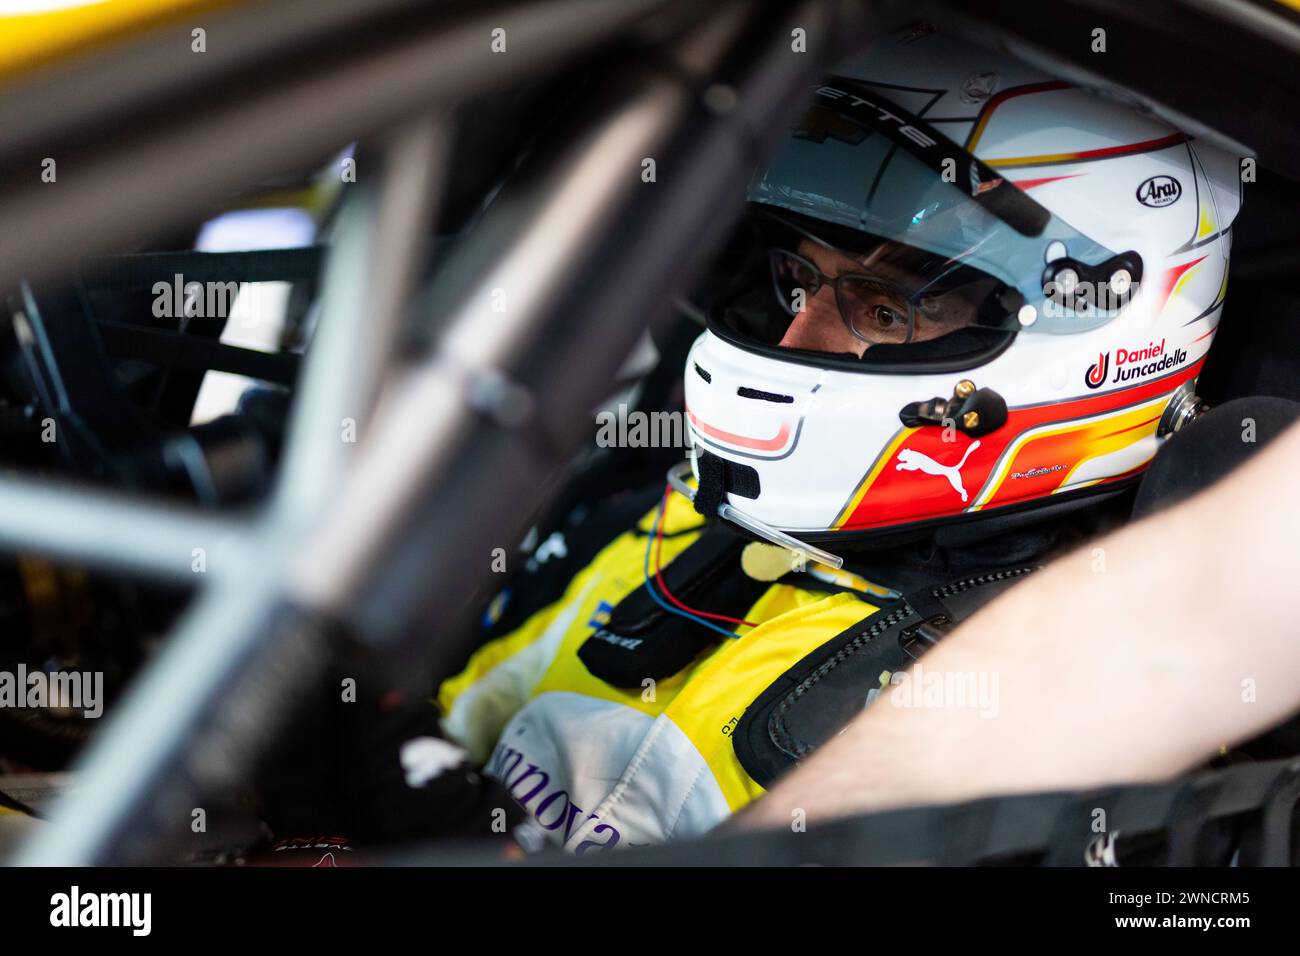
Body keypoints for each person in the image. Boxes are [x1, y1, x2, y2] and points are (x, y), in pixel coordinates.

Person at [435, 26, 1246, 853]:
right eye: (796, 282)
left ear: (1097, 342)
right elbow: (450, 734)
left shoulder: (1065, 719)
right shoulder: (680, 522)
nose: (794, 343)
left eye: (883, 310)